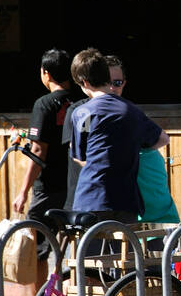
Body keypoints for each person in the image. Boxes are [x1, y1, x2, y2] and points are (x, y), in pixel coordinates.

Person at [69, 48, 167, 221]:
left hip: (91, 196)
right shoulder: (132, 110)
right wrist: (131, 151)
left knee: (91, 247)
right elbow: (162, 138)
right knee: (125, 248)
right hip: (126, 199)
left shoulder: (82, 113)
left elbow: (79, 155)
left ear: (84, 83)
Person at [14, 49, 81, 287]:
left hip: (48, 188)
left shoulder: (43, 104)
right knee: (74, 248)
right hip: (76, 186)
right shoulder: (81, 101)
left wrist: (23, 190)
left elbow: (39, 150)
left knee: (38, 250)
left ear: (46, 74)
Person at [104, 55, 180, 225]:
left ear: (124, 83)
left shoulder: (129, 113)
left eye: (117, 83)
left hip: (152, 210)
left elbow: (163, 138)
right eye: (106, 82)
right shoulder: (86, 112)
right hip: (119, 207)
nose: (112, 88)